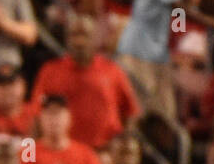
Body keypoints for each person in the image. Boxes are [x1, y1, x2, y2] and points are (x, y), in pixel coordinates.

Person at [30, 13, 138, 149]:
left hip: (104, 152)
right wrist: (29, 159)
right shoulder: (50, 71)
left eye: (84, 35)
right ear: (67, 39)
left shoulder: (113, 71)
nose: (79, 42)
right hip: (64, 154)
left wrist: (120, 145)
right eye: (74, 35)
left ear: (95, 38)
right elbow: (35, 117)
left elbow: (130, 113)